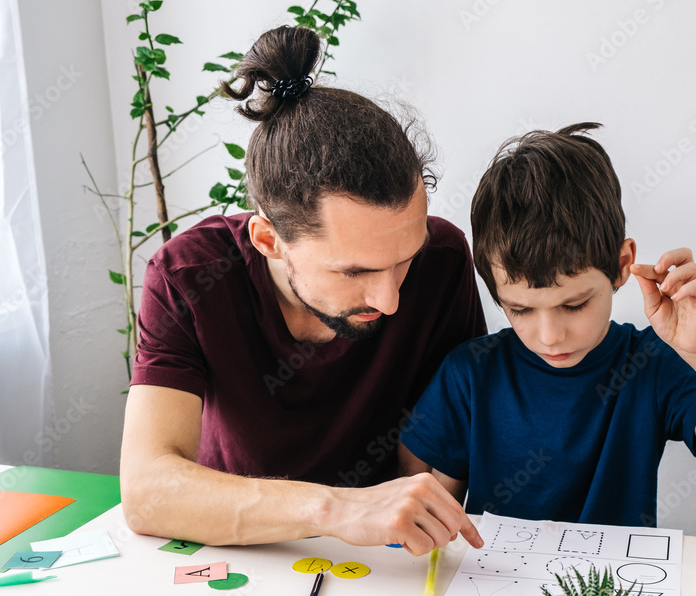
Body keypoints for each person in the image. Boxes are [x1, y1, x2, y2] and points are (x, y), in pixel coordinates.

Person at [120, 26, 485, 555]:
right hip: (242, 551)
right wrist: (336, 508)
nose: (390, 301)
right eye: (354, 272)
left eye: (404, 260)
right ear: (269, 240)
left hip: (388, 558)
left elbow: (456, 433)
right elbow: (147, 493)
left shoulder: (443, 258)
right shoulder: (188, 275)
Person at [398, 122, 696, 527]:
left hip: (606, 594)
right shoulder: (469, 374)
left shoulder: (654, 366)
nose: (549, 336)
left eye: (574, 304)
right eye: (521, 310)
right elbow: (430, 522)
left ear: (622, 265)